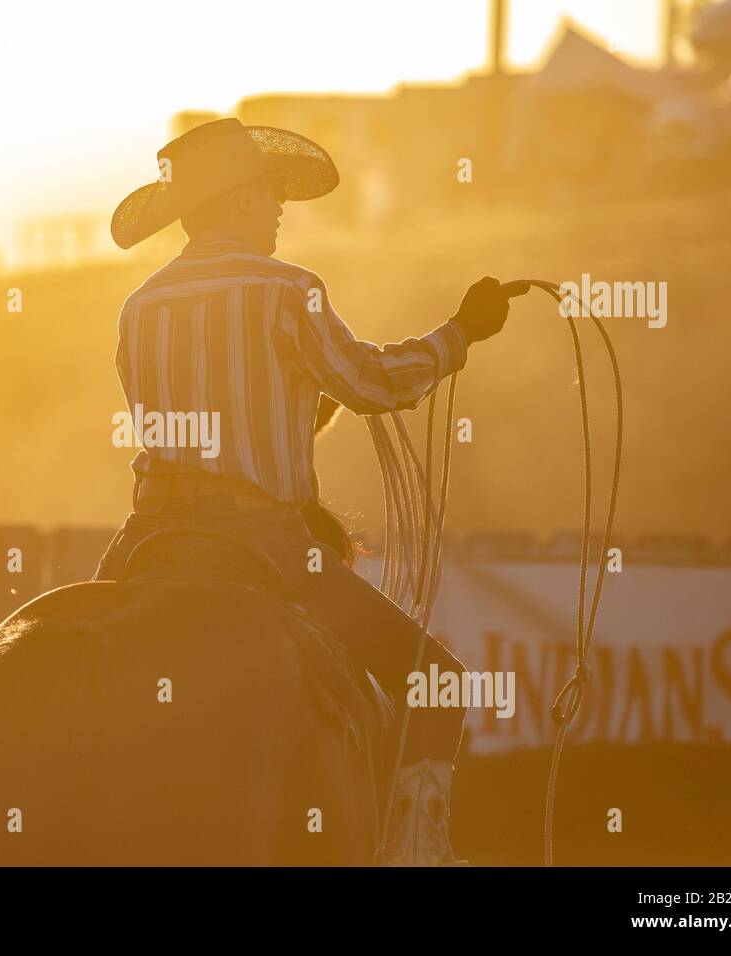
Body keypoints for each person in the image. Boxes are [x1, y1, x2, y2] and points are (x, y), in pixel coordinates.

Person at [96, 118, 517, 865]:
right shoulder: (291, 291)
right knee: (434, 679)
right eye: (269, 190)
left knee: (79, 658)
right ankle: (417, 851)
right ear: (240, 200)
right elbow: (372, 384)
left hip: (147, 540)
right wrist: (460, 334)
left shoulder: (139, 307)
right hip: (261, 542)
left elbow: (200, 423)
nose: (281, 205)